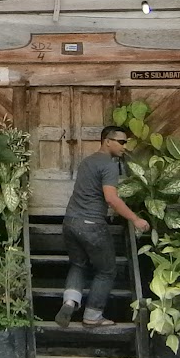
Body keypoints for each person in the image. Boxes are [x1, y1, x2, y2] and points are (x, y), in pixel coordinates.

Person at [54, 124, 150, 329]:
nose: (125, 146)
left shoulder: (87, 162)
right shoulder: (108, 165)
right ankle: (92, 315)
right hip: (92, 225)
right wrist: (135, 219)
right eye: (121, 142)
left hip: (70, 222)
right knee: (106, 270)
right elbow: (111, 198)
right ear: (107, 141)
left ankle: (70, 302)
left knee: (78, 264)